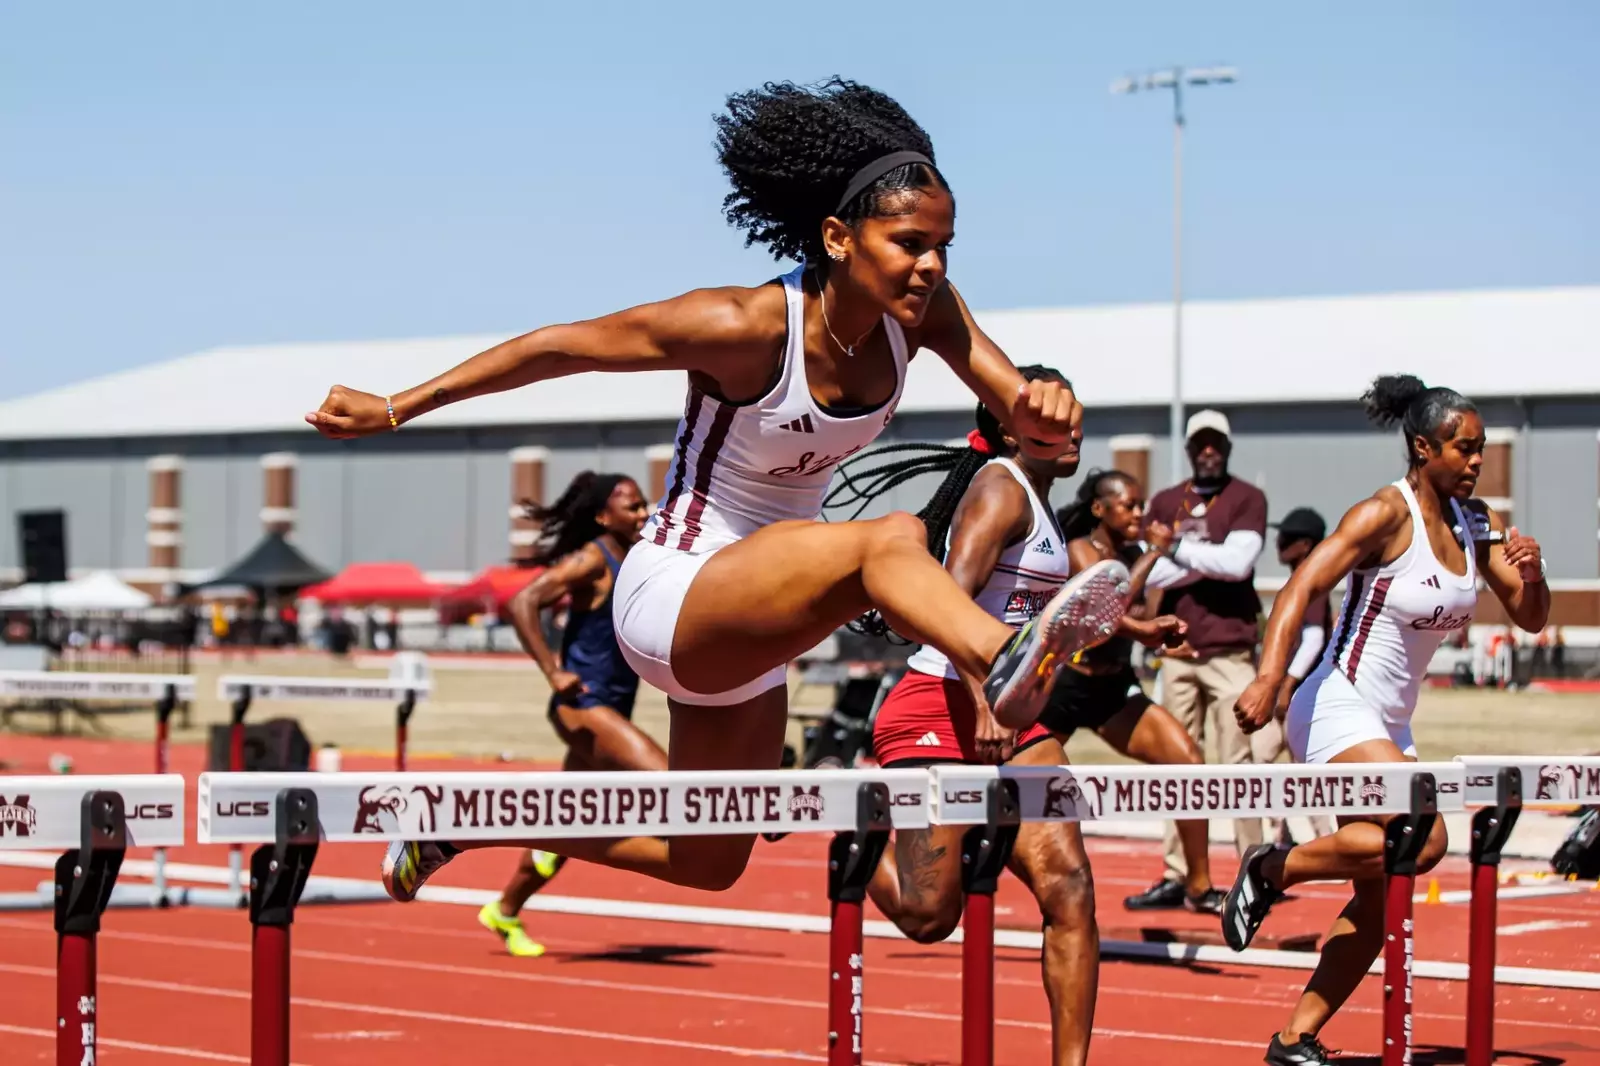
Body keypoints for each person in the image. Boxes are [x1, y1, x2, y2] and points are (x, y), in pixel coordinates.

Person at [305, 78, 1132, 901]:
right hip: (676, 590)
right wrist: (398, 404)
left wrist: (1048, 416)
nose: (931, 266)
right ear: (840, 236)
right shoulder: (744, 325)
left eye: (945, 246)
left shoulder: (926, 314)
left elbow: (1017, 405)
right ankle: (1000, 657)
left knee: (709, 861)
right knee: (893, 538)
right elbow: (566, 347)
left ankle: (478, 818)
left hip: (760, 617)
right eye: (910, 244)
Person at [1224, 374, 1549, 1066]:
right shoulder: (1382, 514)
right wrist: (1268, 677)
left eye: (1481, 450)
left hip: (1391, 726)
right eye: (1462, 449)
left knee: (1380, 898)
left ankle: (1293, 1037)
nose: (1474, 462)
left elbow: (1528, 615)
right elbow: (1302, 584)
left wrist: (1536, 572)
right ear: (1422, 446)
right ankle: (1274, 865)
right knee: (1422, 840)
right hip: (1336, 704)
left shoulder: (1475, 522)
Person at [823, 365, 1112, 1066]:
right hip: (942, 701)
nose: (1070, 428)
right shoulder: (1000, 492)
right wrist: (984, 697)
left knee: (1069, 887)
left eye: (1075, 416)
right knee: (929, 915)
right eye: (1052, 416)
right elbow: (946, 602)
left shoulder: (1045, 510)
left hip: (1015, 714)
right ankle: (847, 827)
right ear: (1010, 426)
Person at [477, 471, 661, 957]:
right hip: (582, 705)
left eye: (644, 505)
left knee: (567, 822)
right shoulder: (592, 559)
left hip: (613, 707)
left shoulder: (638, 559)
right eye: (633, 507)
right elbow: (524, 600)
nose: (643, 513)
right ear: (604, 516)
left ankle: (505, 909)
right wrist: (552, 670)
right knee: (669, 782)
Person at [1038, 470, 1223, 915]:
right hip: (1065, 685)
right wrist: (1155, 554)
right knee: (1013, 781)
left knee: (1189, 762)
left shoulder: (1135, 553)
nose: (1140, 513)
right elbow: (1107, 609)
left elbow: (1139, 612)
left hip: (1114, 688)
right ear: (1100, 510)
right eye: (1129, 506)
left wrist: (1168, 639)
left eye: (1141, 505)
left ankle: (1198, 886)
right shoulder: (1081, 549)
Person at [1123, 408, 1274, 912]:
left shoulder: (1247, 498)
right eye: (1199, 444)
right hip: (1177, 653)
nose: (1208, 451)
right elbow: (1151, 573)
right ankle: (1178, 872)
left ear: (1227, 448)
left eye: (1216, 443)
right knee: (1174, 765)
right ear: (1188, 449)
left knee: (1239, 765)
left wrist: (1179, 551)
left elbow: (1237, 565)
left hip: (1229, 649)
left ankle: (1255, 868)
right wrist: (1191, 560)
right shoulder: (1166, 500)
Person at [1267, 506, 1336, 847]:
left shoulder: (1312, 583)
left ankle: (1326, 839)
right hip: (1285, 691)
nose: (1278, 543)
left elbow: (1313, 639)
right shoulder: (1300, 581)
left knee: (1304, 770)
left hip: (1296, 693)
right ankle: (1281, 834)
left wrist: (1286, 683)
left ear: (1305, 545)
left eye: (1288, 538)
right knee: (1266, 765)